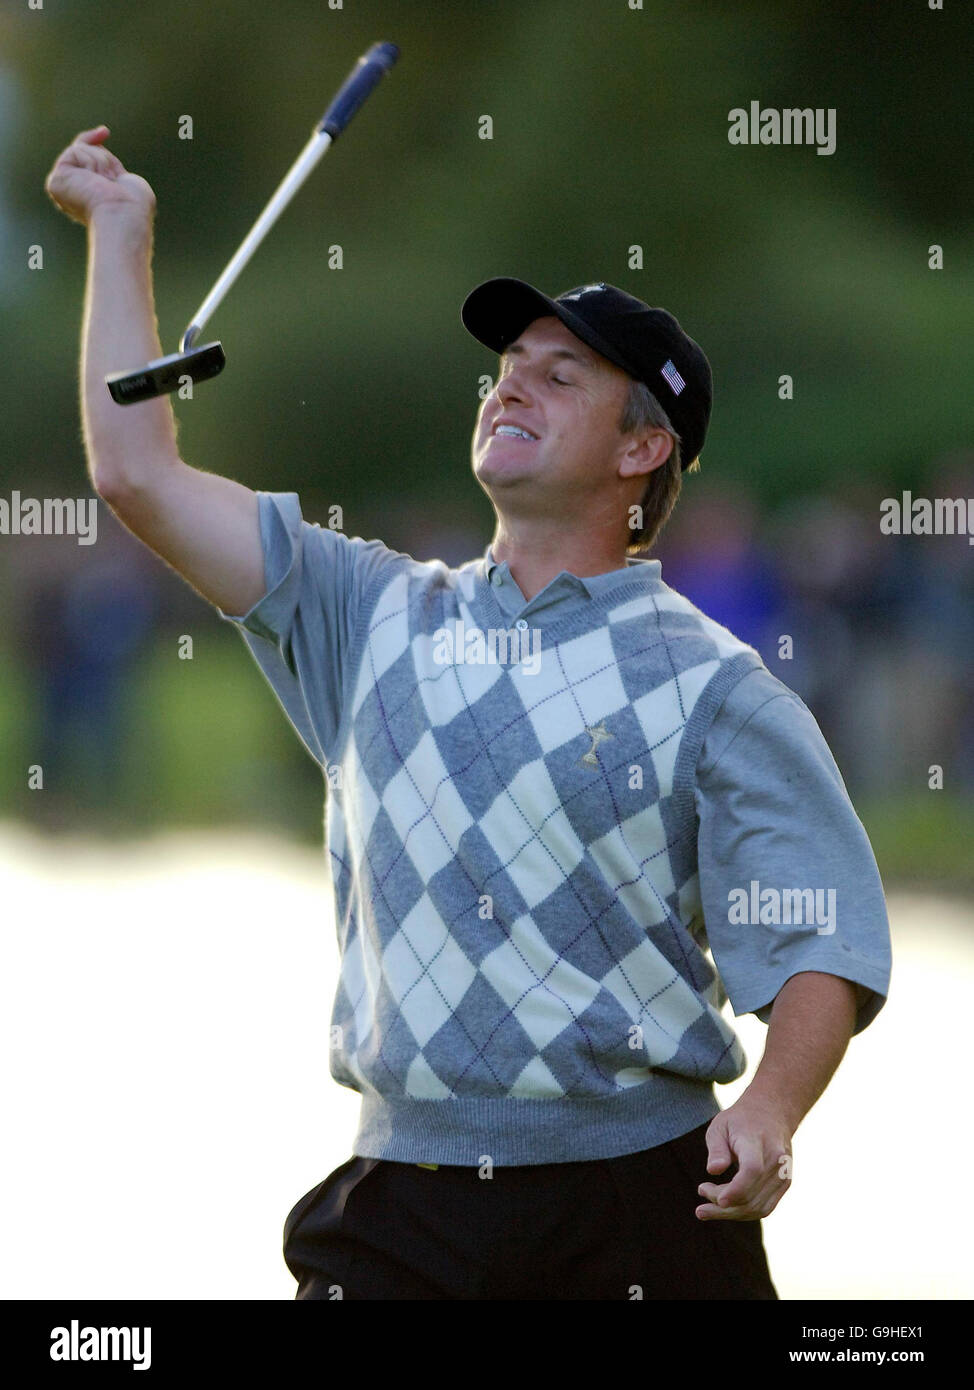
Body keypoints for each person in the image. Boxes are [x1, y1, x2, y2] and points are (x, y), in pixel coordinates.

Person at [45, 127, 892, 1301]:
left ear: (642, 447)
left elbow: (821, 941)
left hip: (640, 1200)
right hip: (404, 1200)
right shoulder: (361, 608)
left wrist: (769, 1107)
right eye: (507, 363)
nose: (510, 382)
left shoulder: (719, 687)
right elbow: (137, 472)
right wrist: (123, 232)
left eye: (560, 374)